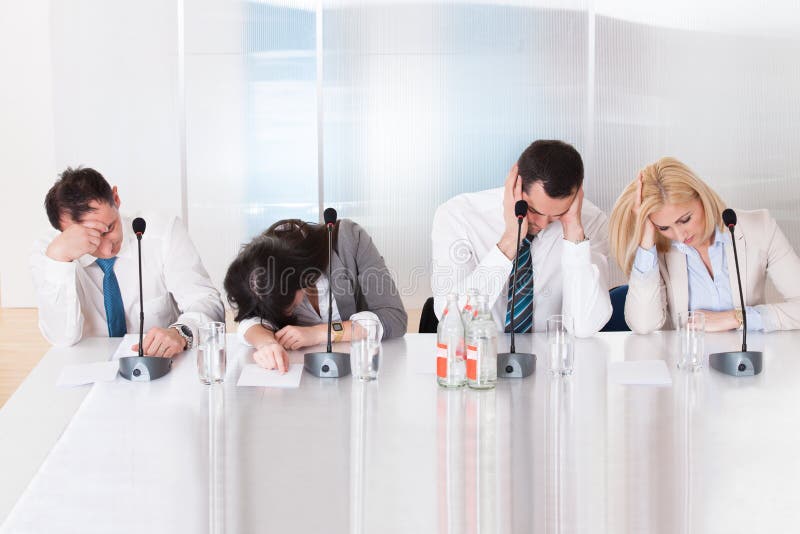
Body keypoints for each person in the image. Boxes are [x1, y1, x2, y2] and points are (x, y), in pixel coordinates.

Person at [30, 167, 224, 356]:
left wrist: (180, 333)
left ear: (116, 198)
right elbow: (61, 339)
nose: (106, 249)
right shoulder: (51, 252)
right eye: (91, 240)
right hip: (89, 366)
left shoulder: (163, 232)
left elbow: (206, 302)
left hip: (160, 364)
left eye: (109, 228)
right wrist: (59, 262)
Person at [431, 139, 612, 337]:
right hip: (481, 357)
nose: (543, 224)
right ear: (514, 184)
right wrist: (510, 240)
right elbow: (451, 317)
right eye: (534, 210)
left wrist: (574, 235)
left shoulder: (590, 222)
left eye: (556, 214)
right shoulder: (458, 216)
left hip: (552, 361)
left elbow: (584, 327)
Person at [608, 156, 800, 333]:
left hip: (747, 360)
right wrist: (647, 236)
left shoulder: (759, 227)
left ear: (701, 197)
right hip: (687, 363)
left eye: (685, 219)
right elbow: (643, 325)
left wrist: (737, 318)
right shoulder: (655, 251)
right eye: (664, 227)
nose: (680, 235)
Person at [225, 218, 407, 372]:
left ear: (298, 277)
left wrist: (319, 333)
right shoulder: (258, 270)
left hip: (359, 372)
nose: (286, 315)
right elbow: (250, 321)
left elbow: (394, 317)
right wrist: (266, 343)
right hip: (299, 382)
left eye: (288, 306)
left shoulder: (349, 239)